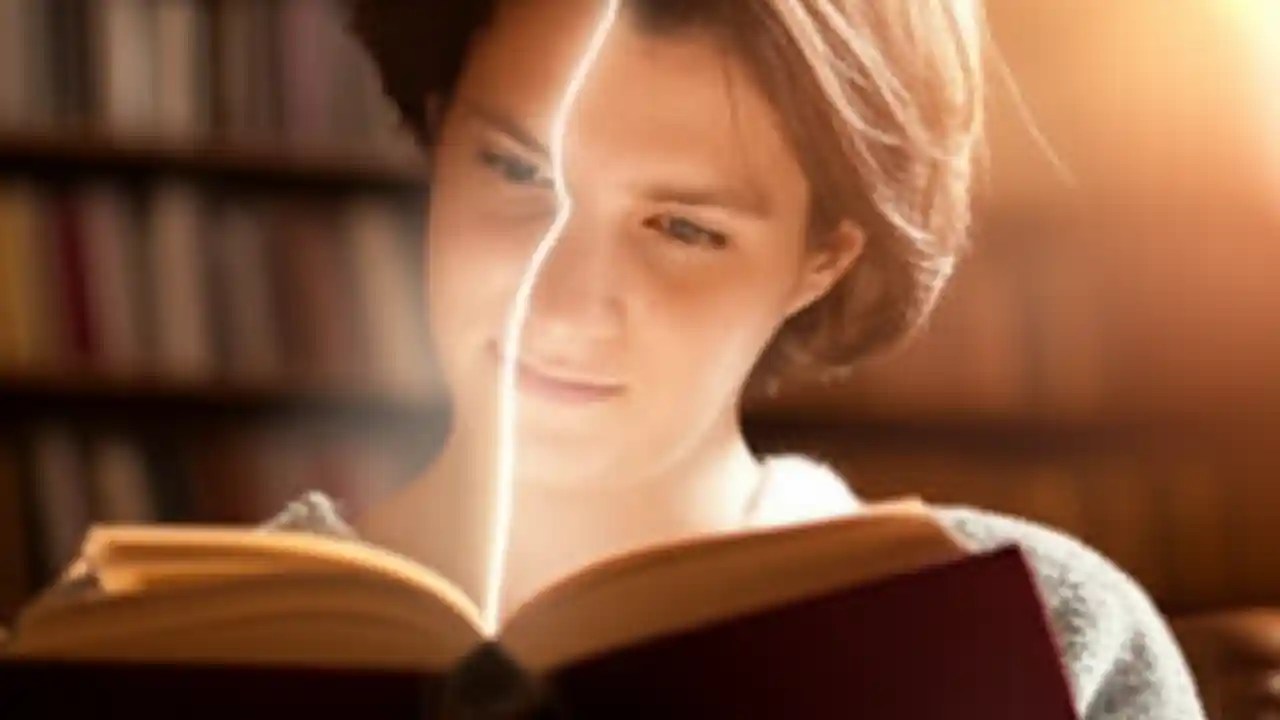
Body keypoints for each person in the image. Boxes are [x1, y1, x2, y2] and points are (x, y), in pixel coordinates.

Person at [266, 0, 1207, 717]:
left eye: (683, 228)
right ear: (440, 129)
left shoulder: (1054, 636)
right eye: (518, 173)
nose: (554, 302)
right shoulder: (185, 638)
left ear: (821, 259)